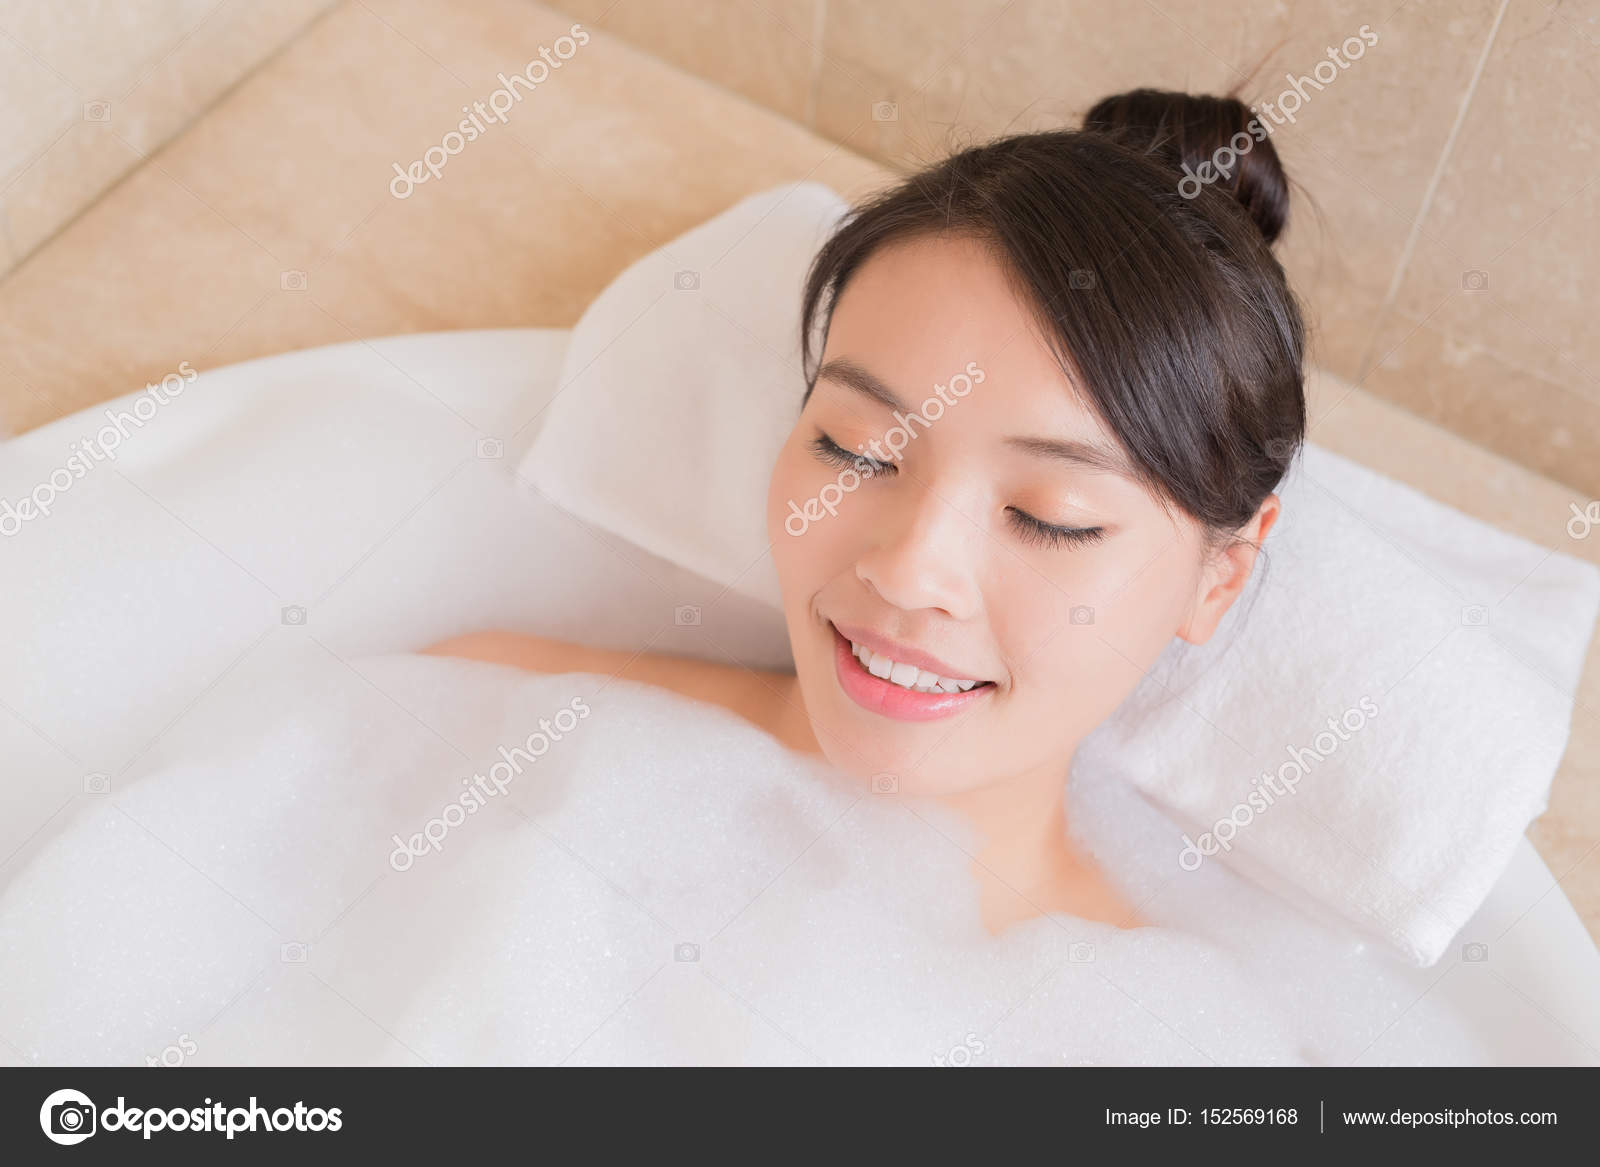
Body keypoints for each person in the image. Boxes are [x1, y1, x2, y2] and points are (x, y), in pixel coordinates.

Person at [428, 88, 1305, 938]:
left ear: (1217, 579)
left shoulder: (1159, 1054)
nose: (908, 565)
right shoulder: (483, 732)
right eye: (857, 451)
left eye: (1050, 516)